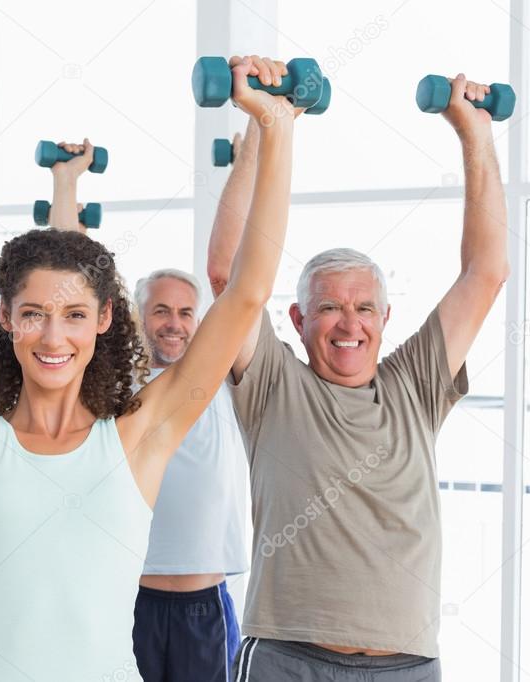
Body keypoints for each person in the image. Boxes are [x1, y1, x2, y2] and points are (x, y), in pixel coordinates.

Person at [0, 58, 292, 679]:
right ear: (5, 318)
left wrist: (277, 126)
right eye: (33, 314)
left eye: (73, 315)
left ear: (103, 319)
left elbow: (247, 292)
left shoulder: (138, 438)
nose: (53, 336)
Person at [207, 63, 509, 681]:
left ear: (385, 317)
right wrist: (261, 130)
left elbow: (486, 273)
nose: (349, 324)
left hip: (408, 665)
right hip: (288, 657)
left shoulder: (415, 385)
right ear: (297, 319)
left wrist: (475, 135)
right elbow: (227, 276)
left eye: (364, 308)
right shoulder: (274, 386)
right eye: (329, 308)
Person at [47, 138, 250, 680]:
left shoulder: (219, 376)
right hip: (125, 597)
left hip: (204, 603)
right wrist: (66, 180)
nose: (174, 323)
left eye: (186, 312)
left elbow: (235, 271)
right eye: (161, 310)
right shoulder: (116, 379)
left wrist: (250, 156)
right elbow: (73, 278)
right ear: (135, 317)